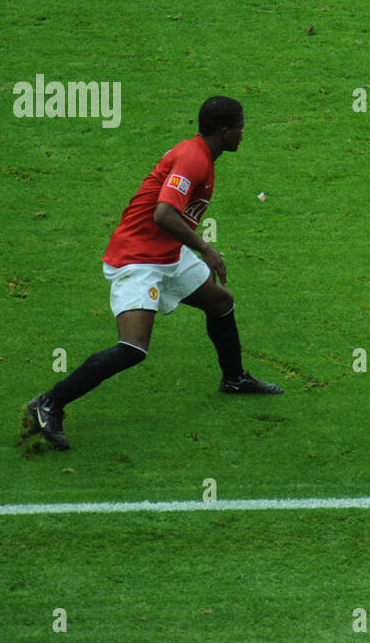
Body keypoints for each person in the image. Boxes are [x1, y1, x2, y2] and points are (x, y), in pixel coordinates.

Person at [23, 96, 283, 450]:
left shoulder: (200, 153)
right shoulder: (193, 158)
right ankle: (49, 402)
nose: (242, 132)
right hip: (138, 258)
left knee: (221, 302)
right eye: (240, 126)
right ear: (224, 131)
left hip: (166, 253)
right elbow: (164, 214)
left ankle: (234, 378)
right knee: (132, 348)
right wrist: (205, 249)